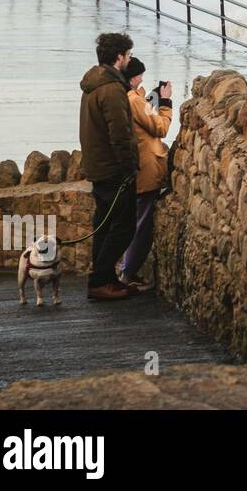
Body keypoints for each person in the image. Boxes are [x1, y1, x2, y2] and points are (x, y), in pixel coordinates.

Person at [79, 32, 140, 301]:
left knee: (104, 223)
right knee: (124, 226)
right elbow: (120, 134)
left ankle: (106, 279)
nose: (129, 60)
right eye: (127, 56)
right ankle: (100, 281)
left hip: (98, 165)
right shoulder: (112, 89)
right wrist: (129, 169)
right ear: (119, 58)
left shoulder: (94, 83)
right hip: (113, 169)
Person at [117, 58, 172, 289]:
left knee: (134, 221)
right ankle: (127, 274)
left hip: (137, 168)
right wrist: (166, 102)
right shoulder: (135, 102)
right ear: (132, 77)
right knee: (140, 226)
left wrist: (150, 97)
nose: (142, 78)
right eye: (139, 75)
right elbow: (161, 127)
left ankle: (126, 271)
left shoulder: (128, 98)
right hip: (147, 170)